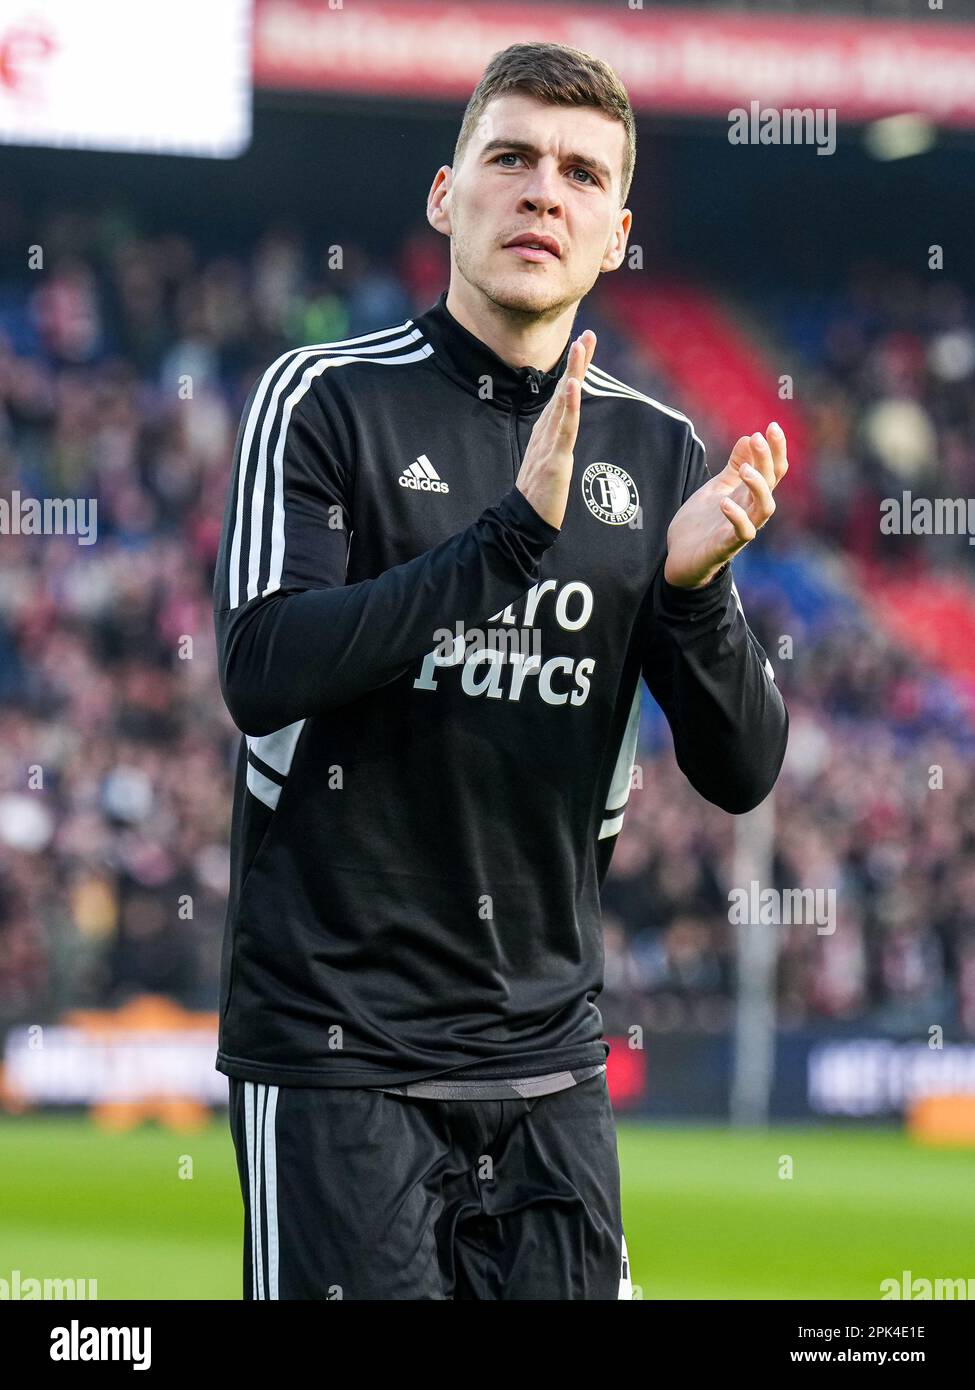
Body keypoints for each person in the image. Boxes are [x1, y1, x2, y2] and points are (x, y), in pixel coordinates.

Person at [212, 40, 789, 1300]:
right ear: (446, 194)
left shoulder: (659, 447)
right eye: (511, 158)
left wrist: (689, 597)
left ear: (615, 230)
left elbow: (743, 770)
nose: (544, 192)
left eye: (581, 173)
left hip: (548, 1065)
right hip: (339, 1056)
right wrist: (509, 541)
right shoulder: (323, 401)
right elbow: (260, 664)